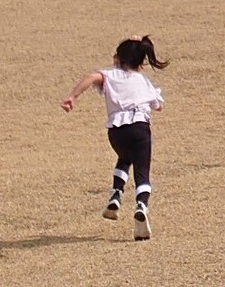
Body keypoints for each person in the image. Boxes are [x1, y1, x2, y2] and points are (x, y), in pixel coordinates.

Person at [63, 36, 169, 240]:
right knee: (142, 171)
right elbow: (160, 106)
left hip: (116, 132)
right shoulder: (143, 80)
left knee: (125, 156)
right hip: (140, 128)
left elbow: (92, 77)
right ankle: (141, 206)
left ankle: (116, 194)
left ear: (118, 58)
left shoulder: (110, 75)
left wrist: (73, 96)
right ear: (141, 63)